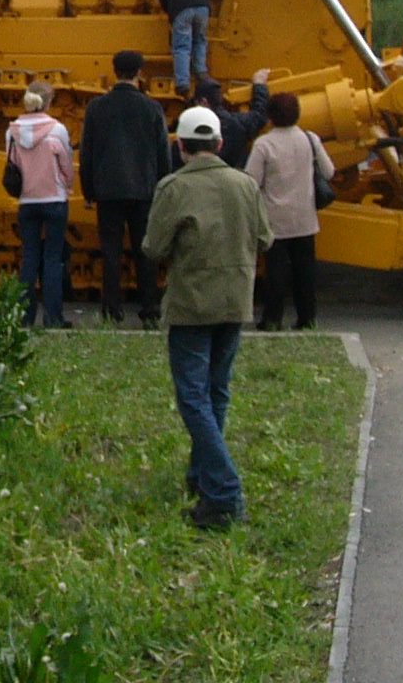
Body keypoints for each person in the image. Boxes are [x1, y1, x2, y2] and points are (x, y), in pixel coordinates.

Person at [141, 106, 273, 530]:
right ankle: (201, 478)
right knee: (217, 393)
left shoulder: (173, 187)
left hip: (192, 304)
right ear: (219, 144)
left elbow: (154, 247)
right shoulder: (245, 184)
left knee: (193, 398)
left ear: (180, 146)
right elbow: (266, 238)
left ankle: (224, 493)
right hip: (235, 301)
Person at [79, 50, 171, 327]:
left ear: (114, 70)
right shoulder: (152, 108)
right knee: (145, 252)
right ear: (140, 72)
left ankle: (112, 310)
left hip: (108, 190)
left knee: (111, 252)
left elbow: (87, 154)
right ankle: (149, 310)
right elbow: (162, 153)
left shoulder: (97, 107)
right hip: (143, 190)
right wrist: (162, 187)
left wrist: (88, 192)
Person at [244, 93, 336, 330]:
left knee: (275, 272)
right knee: (304, 272)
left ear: (270, 115)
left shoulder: (264, 144)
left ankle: (273, 319)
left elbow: (251, 180)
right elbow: (328, 172)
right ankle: (307, 318)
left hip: (274, 219)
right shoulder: (310, 138)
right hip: (305, 217)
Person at [8, 79, 74, 329]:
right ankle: (53, 318)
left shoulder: (12, 131)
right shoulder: (57, 130)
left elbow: (12, 164)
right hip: (54, 199)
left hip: (27, 200)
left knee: (30, 257)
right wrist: (67, 185)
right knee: (53, 258)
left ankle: (25, 317)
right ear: (48, 102)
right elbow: (66, 165)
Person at [157, 0, 210, 97]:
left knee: (181, 46)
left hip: (182, 9)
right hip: (202, 8)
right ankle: (201, 72)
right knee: (200, 40)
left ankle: (182, 83)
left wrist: (169, 12)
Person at [193, 71, 272, 170]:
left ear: (203, 102)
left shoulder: (192, 129)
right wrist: (259, 85)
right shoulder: (239, 122)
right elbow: (260, 114)